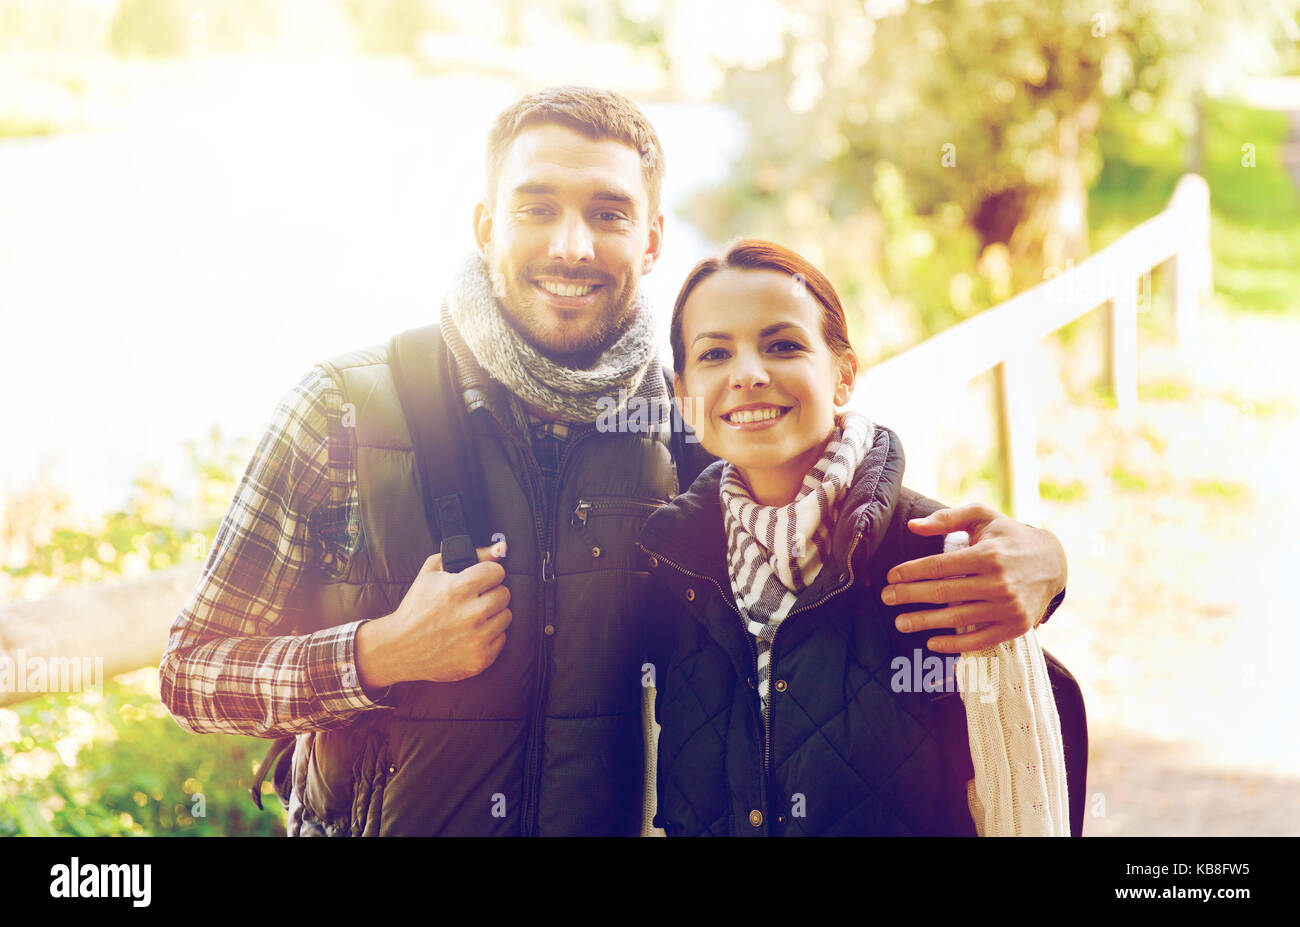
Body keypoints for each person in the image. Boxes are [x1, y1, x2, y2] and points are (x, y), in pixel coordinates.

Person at [158, 86, 1068, 836]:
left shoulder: (685, 424)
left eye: (607, 213)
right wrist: (379, 653)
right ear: (483, 225)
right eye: (536, 207)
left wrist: (1046, 563)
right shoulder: (345, 406)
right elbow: (192, 673)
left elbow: (828, 508)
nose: (570, 244)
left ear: (653, 239)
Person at [638, 239, 1069, 836]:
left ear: (843, 376)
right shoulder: (674, 574)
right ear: (685, 397)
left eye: (782, 345)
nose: (748, 375)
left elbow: (1026, 817)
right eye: (715, 354)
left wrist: (1052, 558)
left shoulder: (954, 569)